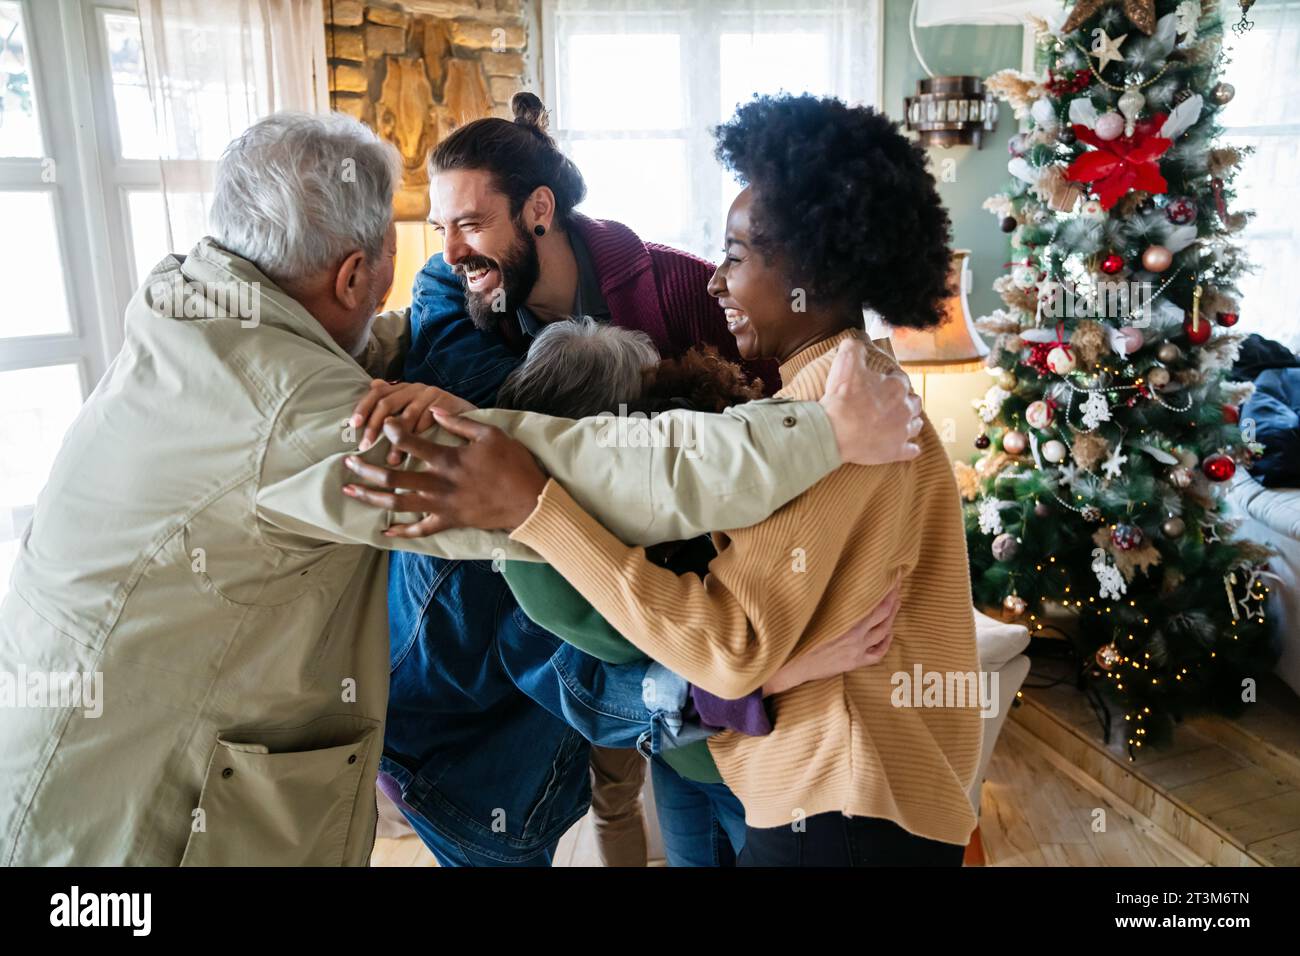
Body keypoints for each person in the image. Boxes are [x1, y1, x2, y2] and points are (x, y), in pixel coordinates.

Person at [0, 110, 919, 866]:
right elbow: (572, 482)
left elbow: (393, 341)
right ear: (351, 273)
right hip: (144, 825)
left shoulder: (197, 310)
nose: (446, 260)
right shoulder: (310, 416)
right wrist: (825, 433)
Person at [344, 94, 984, 866]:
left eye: (738, 257)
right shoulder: (842, 396)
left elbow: (729, 638)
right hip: (787, 764)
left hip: (833, 784)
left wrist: (536, 507)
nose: (718, 283)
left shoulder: (833, 410)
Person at [490, 318, 899, 866]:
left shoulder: (706, 468)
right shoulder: (539, 566)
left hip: (762, 759)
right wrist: (781, 671)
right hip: (689, 752)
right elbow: (607, 692)